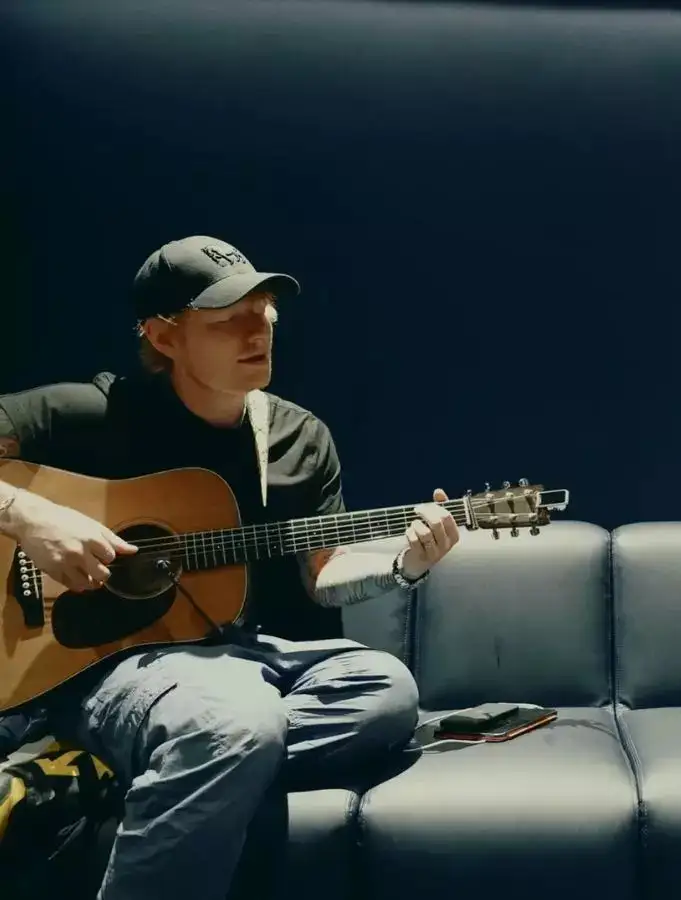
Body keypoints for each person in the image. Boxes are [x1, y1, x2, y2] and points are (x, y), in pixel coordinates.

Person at [0, 235, 460, 900]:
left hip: (239, 653)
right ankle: (208, 739)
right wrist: (31, 517)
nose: (258, 330)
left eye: (264, 310)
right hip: (108, 666)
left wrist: (402, 564)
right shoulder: (90, 415)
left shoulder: (297, 439)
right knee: (236, 718)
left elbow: (321, 574)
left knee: (383, 692)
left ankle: (173, 754)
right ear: (164, 337)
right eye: (228, 320)